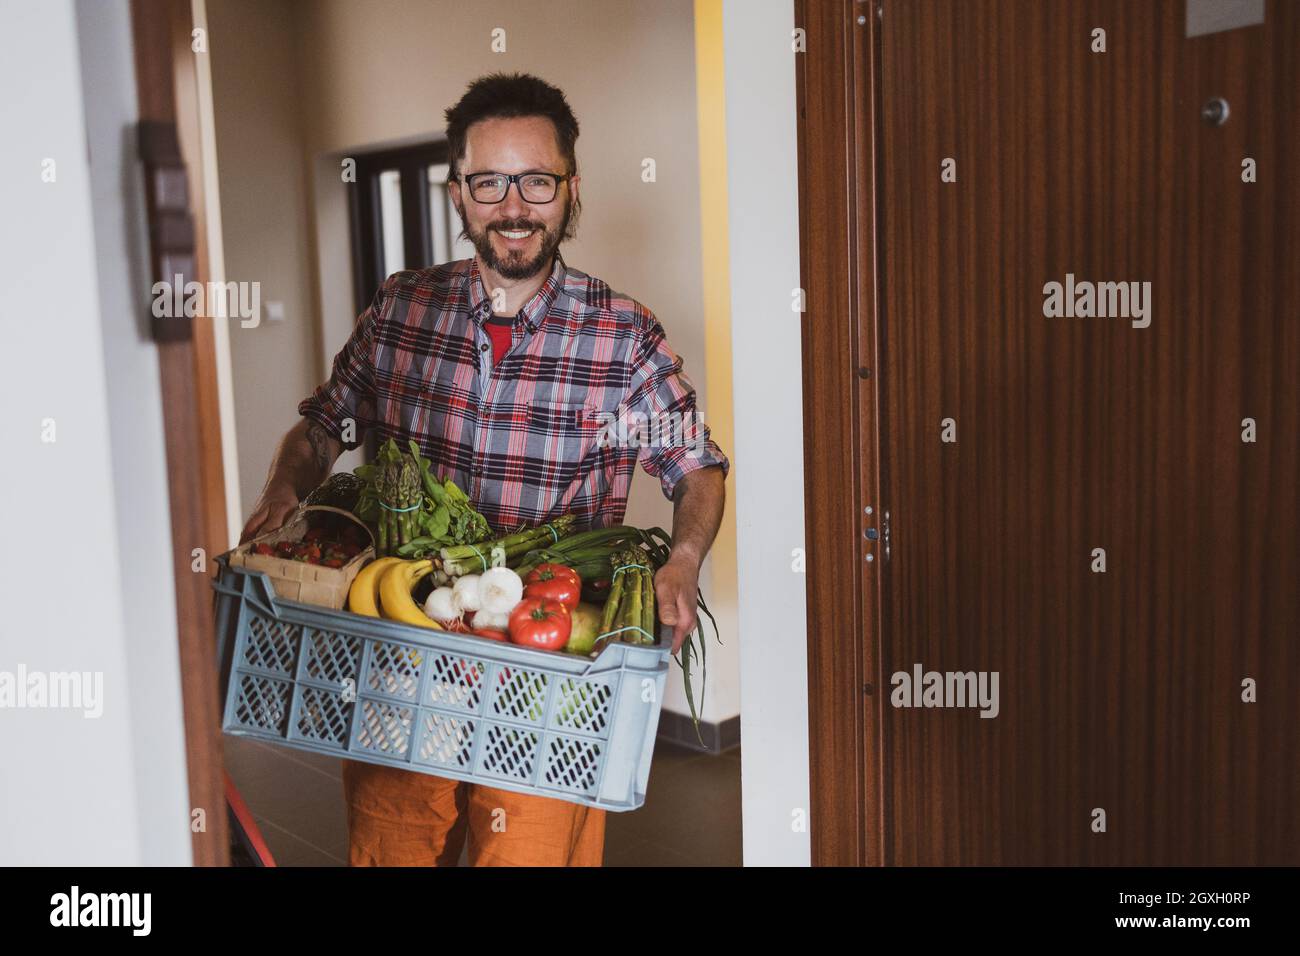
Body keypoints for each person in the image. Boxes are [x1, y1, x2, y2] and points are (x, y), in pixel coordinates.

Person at [240, 72, 730, 867]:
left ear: (571, 189)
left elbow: (697, 465)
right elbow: (323, 424)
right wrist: (283, 489)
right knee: (388, 855)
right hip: (400, 666)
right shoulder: (402, 309)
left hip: (548, 682)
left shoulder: (622, 334)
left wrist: (683, 558)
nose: (513, 206)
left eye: (536, 181)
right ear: (457, 192)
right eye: (489, 181)